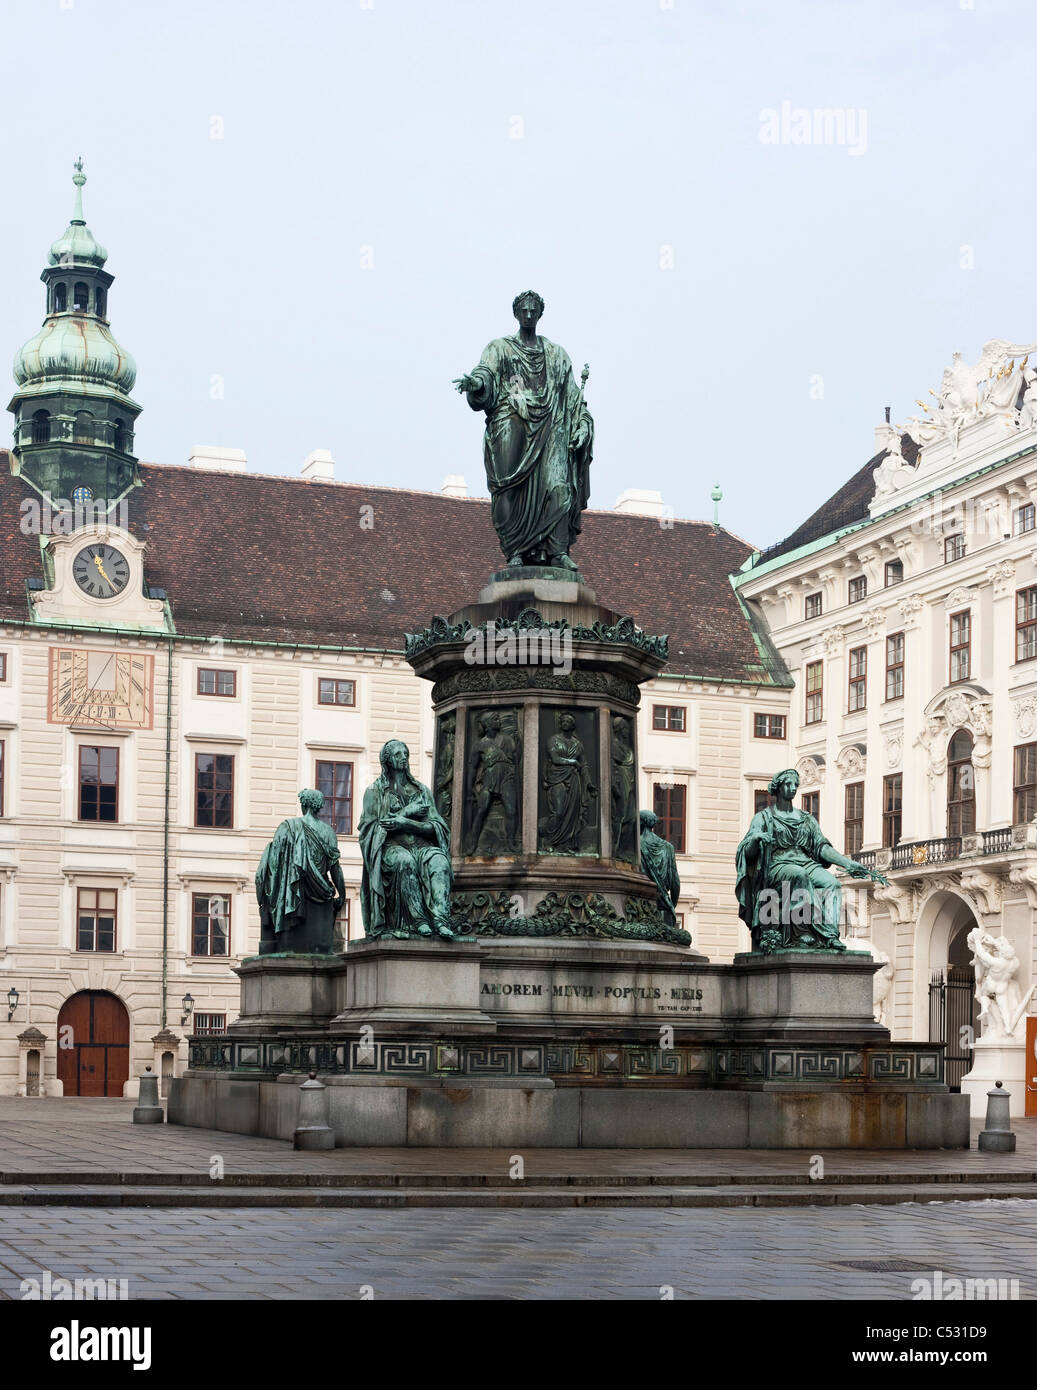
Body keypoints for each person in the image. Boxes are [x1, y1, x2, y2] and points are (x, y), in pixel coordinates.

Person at [454, 290, 593, 570]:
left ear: (540, 314)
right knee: (507, 489)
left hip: (551, 429)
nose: (529, 315)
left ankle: (557, 551)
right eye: (524, 310)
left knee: (559, 486)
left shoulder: (556, 355)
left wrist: (581, 424)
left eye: (534, 311)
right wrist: (477, 384)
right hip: (512, 424)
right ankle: (514, 548)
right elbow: (486, 373)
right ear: (516, 313)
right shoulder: (499, 348)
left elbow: (574, 397)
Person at [735, 768, 887, 952]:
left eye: (795, 785)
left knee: (832, 884)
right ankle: (802, 932)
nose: (792, 788)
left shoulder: (806, 819)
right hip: (779, 865)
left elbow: (821, 847)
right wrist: (756, 839)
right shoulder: (763, 818)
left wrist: (847, 863)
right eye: (788, 784)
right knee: (799, 876)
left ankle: (830, 936)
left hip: (806, 863)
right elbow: (748, 853)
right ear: (778, 788)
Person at [359, 739, 455, 939]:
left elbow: (437, 827)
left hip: (422, 845)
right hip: (391, 847)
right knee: (405, 862)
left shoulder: (421, 791)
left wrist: (408, 824)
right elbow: (371, 830)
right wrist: (407, 812)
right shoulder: (375, 792)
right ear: (387, 761)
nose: (403, 758)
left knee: (440, 862)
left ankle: (440, 920)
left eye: (406, 754)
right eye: (398, 754)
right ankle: (418, 920)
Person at [255, 788, 345, 954]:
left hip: (294, 893)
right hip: (322, 894)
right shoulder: (329, 832)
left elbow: (275, 863)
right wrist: (342, 894)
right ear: (319, 807)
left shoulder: (288, 827)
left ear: (304, 805)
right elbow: (335, 868)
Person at [539, 711, 595, 852]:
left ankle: (566, 844)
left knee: (572, 815)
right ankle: (549, 841)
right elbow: (555, 758)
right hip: (556, 778)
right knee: (558, 812)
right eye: (563, 721)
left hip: (574, 780)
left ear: (573, 725)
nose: (565, 723)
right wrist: (573, 762)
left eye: (568, 722)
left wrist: (588, 783)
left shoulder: (578, 745)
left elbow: (584, 765)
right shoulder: (553, 740)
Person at [639, 808, 681, 926]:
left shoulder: (636, 845)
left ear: (641, 823)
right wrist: (671, 905)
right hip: (664, 905)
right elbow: (675, 882)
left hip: (642, 907)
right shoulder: (668, 847)